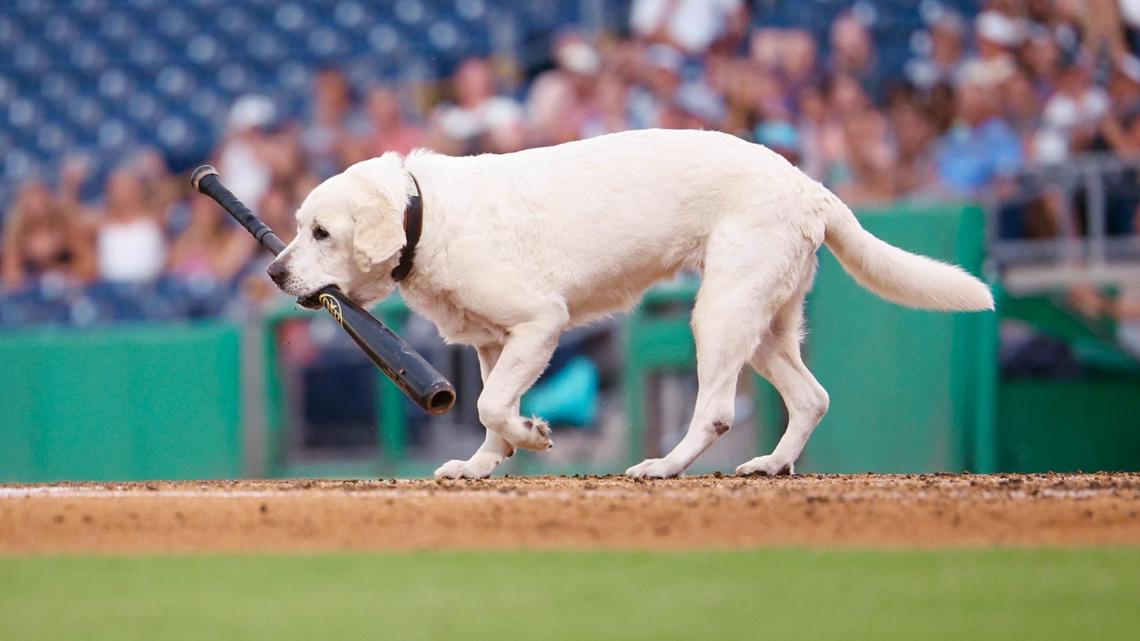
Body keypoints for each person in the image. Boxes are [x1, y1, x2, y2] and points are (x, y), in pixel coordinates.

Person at [2, 180, 96, 291]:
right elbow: (11, 276)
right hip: (32, 296)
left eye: (39, 198)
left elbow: (90, 265)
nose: (36, 203)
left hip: (70, 290)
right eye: (30, 199)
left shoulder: (66, 228)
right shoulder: (16, 236)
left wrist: (58, 271)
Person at [94, 169, 166, 283]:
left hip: (151, 286)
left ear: (137, 189)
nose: (122, 193)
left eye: (126, 187)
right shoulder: (99, 223)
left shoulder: (156, 219)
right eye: (117, 188)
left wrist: (158, 175)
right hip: (111, 289)